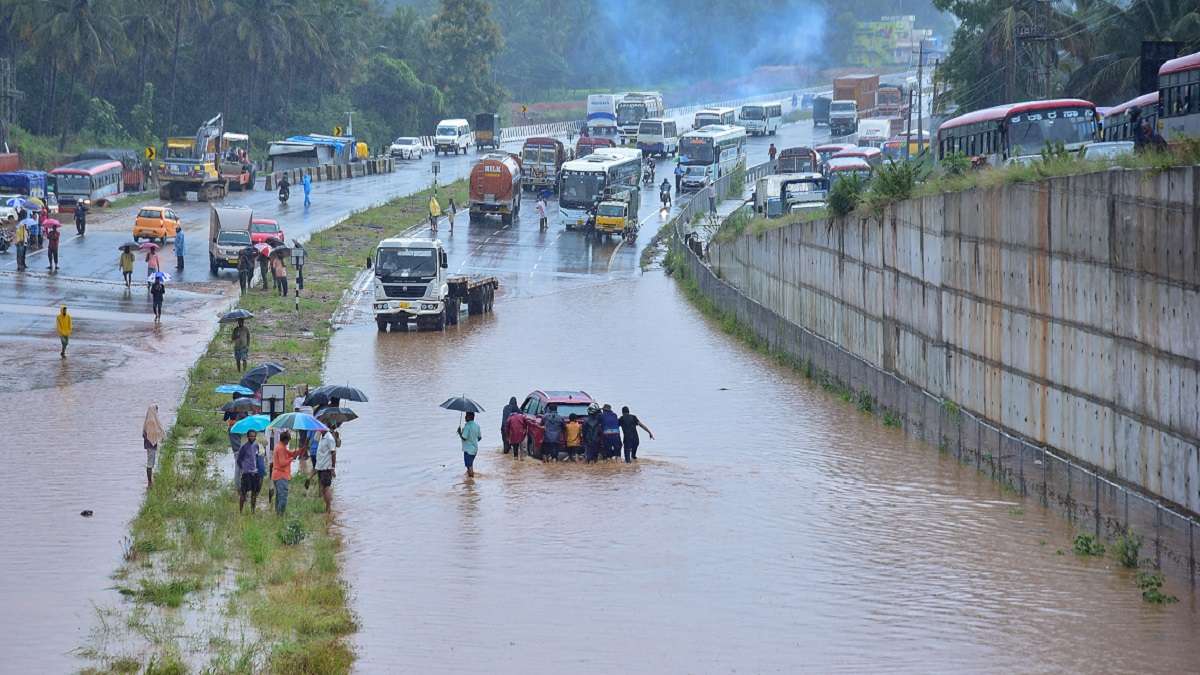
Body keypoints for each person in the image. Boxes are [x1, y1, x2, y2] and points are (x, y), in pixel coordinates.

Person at [271, 431, 304, 515]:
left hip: (276, 475)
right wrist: (291, 459)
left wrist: (298, 451)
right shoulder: (281, 448)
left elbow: (289, 453)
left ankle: (278, 514)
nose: (288, 442)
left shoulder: (280, 446)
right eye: (288, 440)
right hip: (281, 476)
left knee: (279, 497)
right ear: (285, 440)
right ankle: (280, 515)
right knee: (283, 497)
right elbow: (282, 463)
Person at [315, 423, 340, 513]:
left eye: (320, 428)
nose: (318, 429)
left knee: (326, 487)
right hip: (321, 467)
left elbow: (333, 453)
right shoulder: (322, 437)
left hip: (326, 468)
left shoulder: (329, 438)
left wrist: (332, 468)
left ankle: (328, 508)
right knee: (323, 488)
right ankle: (327, 506)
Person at [237, 429, 262, 513]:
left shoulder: (257, 445)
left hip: (255, 473)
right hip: (246, 474)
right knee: (243, 494)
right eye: (251, 436)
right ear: (247, 437)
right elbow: (239, 460)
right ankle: (240, 511)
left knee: (254, 494)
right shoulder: (244, 447)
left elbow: (257, 458)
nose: (252, 437)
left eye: (254, 436)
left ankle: (253, 511)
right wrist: (243, 469)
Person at [143, 404, 164, 488]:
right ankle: (150, 482)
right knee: (150, 463)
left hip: (149, 444)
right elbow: (153, 432)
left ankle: (150, 481)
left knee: (150, 462)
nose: (157, 412)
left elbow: (144, 433)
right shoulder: (151, 421)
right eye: (156, 410)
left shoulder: (148, 419)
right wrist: (161, 435)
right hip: (151, 444)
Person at [458, 411, 481, 477]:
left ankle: (471, 481)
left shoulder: (467, 426)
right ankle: (470, 477)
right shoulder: (477, 426)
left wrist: (460, 433)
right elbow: (479, 438)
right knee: (470, 464)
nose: (465, 417)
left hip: (468, 450)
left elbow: (464, 437)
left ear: (468, 417)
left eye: (466, 416)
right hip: (475, 449)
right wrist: (473, 439)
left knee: (469, 465)